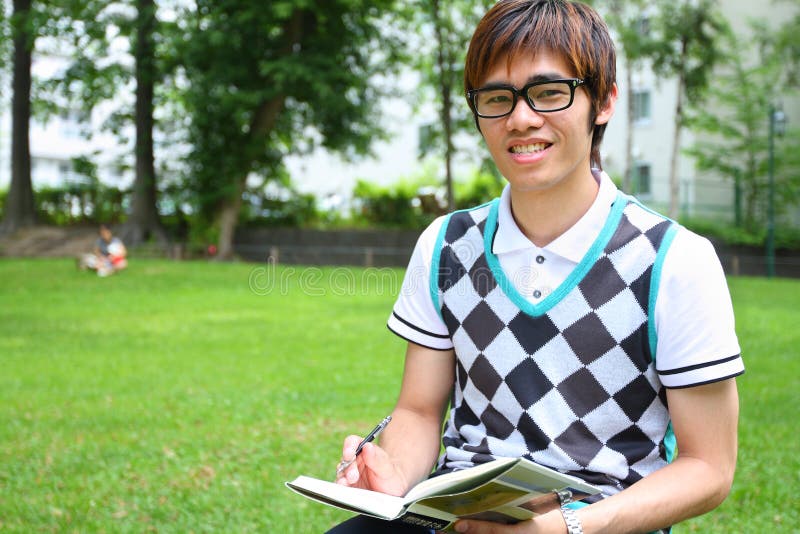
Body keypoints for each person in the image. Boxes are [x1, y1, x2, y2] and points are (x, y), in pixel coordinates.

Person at [329, 1, 744, 533]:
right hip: (457, 520)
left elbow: (709, 466)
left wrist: (568, 527)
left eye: (550, 92)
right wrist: (396, 475)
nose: (521, 119)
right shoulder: (447, 245)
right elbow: (418, 410)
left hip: (603, 524)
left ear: (604, 101)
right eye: (497, 99)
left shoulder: (676, 260)